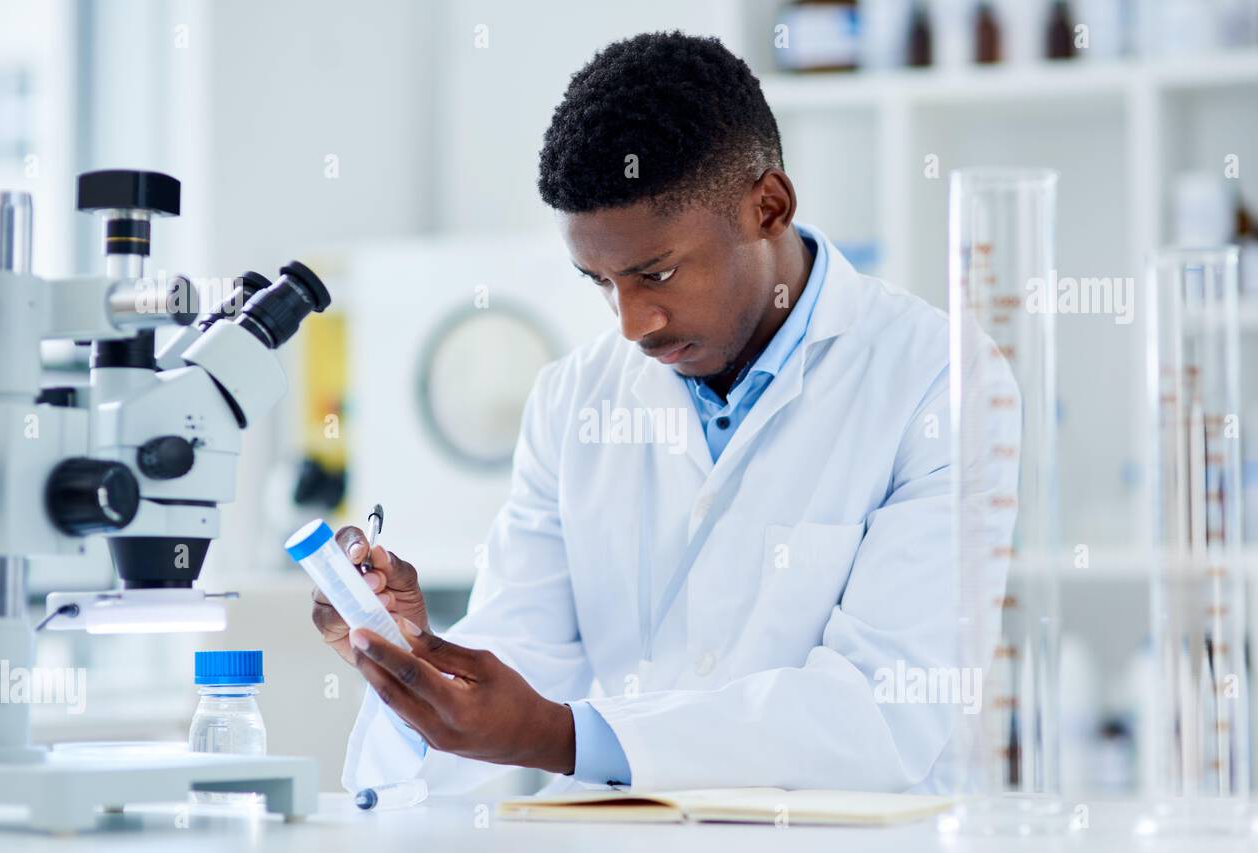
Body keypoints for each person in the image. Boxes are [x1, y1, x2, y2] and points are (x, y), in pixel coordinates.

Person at [313, 31, 962, 794]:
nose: (633, 325)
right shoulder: (574, 398)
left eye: (657, 272)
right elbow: (523, 656)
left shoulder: (934, 377)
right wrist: (419, 658)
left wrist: (562, 734)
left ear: (769, 205)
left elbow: (882, 715)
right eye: (599, 281)